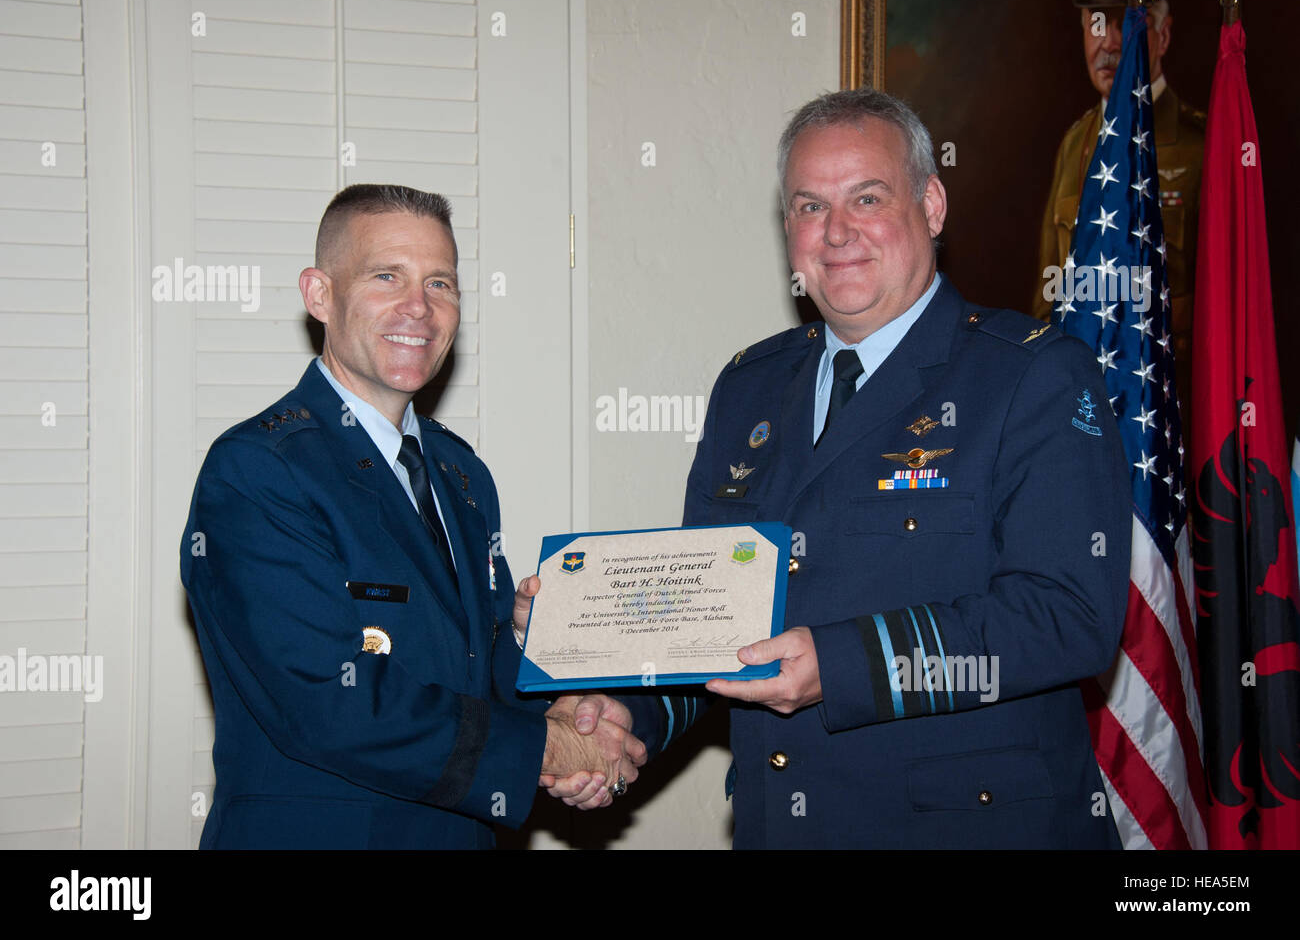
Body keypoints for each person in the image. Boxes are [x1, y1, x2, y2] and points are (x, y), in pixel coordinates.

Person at [613, 88, 1133, 848]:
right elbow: (713, 618)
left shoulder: (1034, 376)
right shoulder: (749, 386)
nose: (837, 232)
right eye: (809, 206)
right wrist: (632, 716)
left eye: (867, 197)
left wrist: (844, 664)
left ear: (931, 204)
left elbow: (1070, 618)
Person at [180, 184, 644, 849]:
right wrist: (546, 750)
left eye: (441, 283)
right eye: (386, 276)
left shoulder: (461, 474)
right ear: (319, 294)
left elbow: (470, 671)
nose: (418, 308)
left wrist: (557, 686)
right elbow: (326, 702)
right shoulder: (259, 470)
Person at [1034, 0, 1204, 405]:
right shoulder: (1075, 143)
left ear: (1162, 36)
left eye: (1124, 24)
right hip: (1082, 395)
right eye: (1095, 24)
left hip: (1170, 398)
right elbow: (1047, 293)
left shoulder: (1202, 145)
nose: (1109, 42)